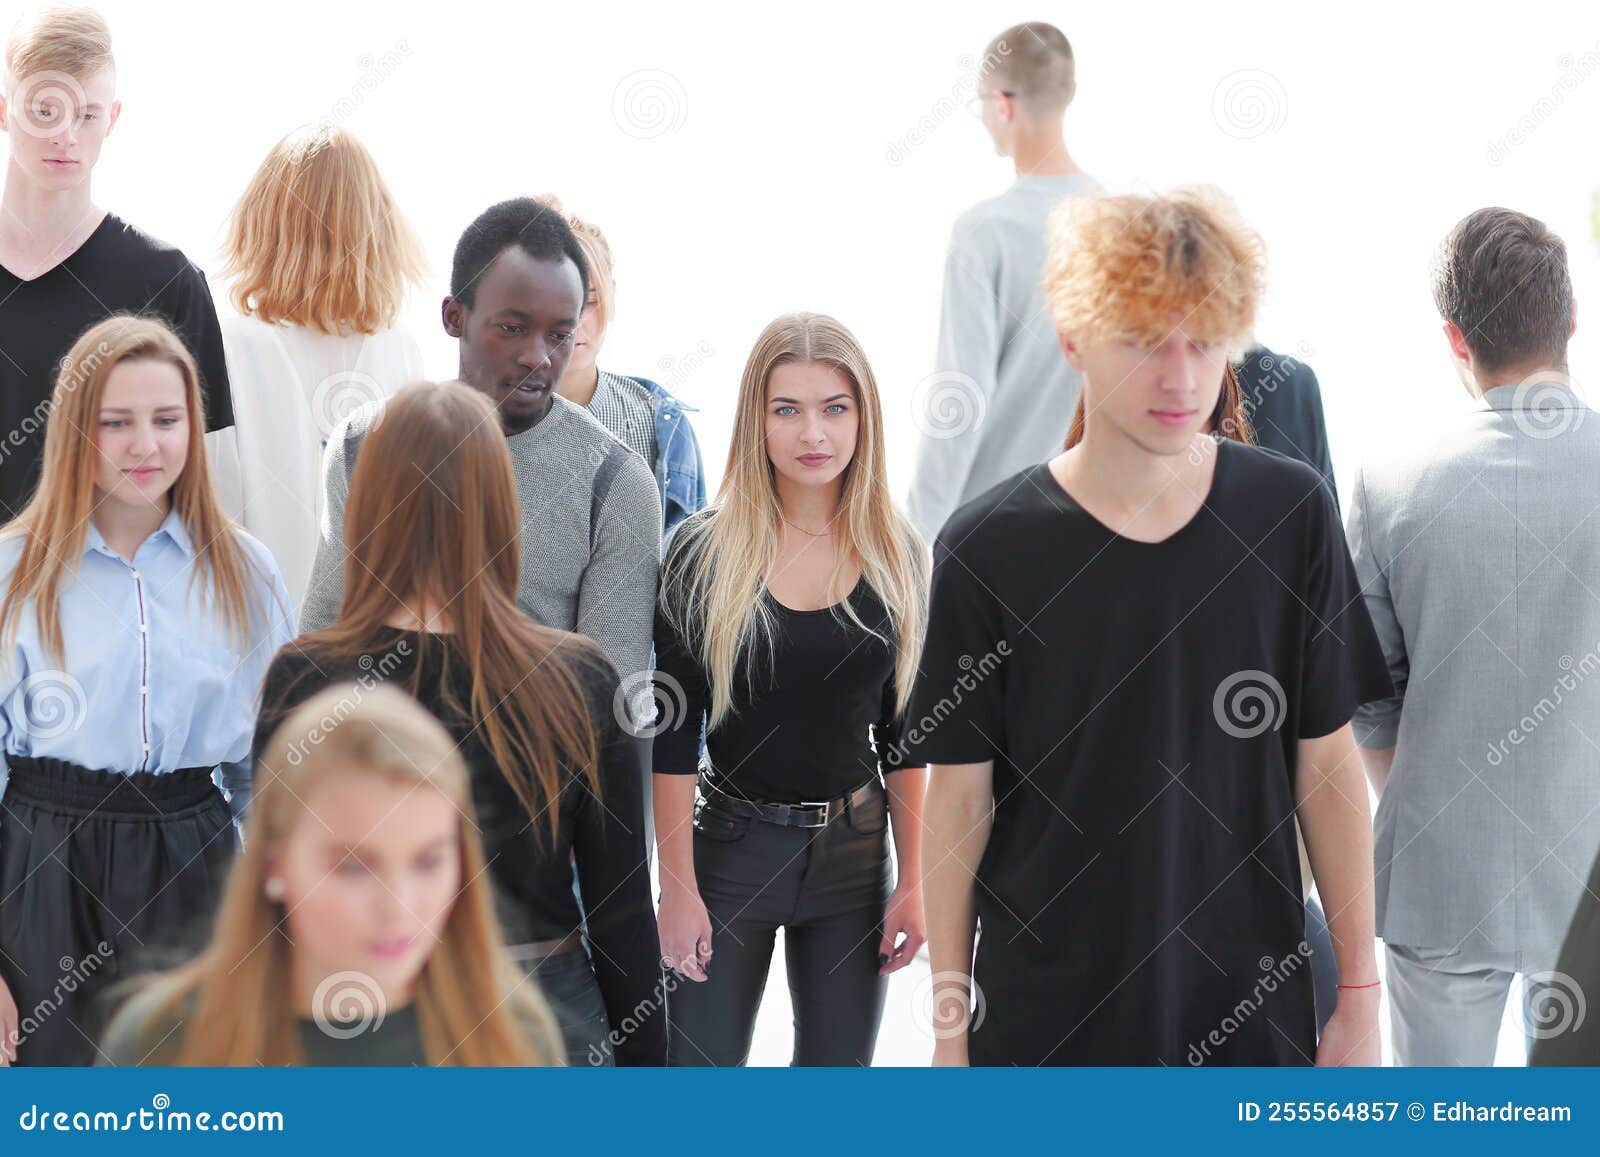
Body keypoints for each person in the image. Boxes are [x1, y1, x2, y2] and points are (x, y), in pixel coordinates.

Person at [910, 190, 1393, 1067]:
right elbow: (960, 801)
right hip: (1043, 1025)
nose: (1180, 378)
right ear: (1072, 337)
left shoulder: (1290, 516)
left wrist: (1359, 996)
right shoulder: (987, 548)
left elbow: (1326, 767)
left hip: (1252, 1012)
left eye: (1204, 341)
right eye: (1142, 341)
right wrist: (949, 1033)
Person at [256, 382, 665, 1066]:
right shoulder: (582, 679)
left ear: (371, 503)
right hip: (542, 1019)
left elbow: (276, 907)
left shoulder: (303, 678)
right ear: (502, 507)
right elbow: (622, 914)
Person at [0, 315, 294, 1066]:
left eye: (167, 420)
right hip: (42, 866)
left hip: (193, 862)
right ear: (74, 431)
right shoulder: (13, 571)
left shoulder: (247, 571)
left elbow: (272, 773)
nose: (145, 445)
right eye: (116, 422)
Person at [1349, 206, 1600, 1066]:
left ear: (1456, 337)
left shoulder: (1389, 482)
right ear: (1572, 318)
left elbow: (1369, 700)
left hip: (1441, 875)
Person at [653, 312, 928, 1066]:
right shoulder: (701, 553)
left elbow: (906, 736)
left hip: (855, 858)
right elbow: (673, 740)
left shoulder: (898, 553)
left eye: (835, 408)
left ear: (862, 417)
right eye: (788, 409)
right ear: (757, 419)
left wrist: (916, 879)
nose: (814, 432)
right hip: (730, 852)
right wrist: (676, 890)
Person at [300, 197, 660, 693]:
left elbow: (612, 708)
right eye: (512, 329)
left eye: (559, 334)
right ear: (454, 317)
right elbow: (324, 651)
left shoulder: (615, 483)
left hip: (531, 766)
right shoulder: (364, 446)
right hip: (376, 759)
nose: (538, 357)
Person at [99, 684, 565, 1066]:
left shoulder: (513, 1038)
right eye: (355, 867)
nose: (398, 905)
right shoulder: (160, 1043)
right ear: (271, 862)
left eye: (427, 862)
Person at [0, 6, 238, 522]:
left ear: (112, 118)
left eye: (86, 114)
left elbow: (212, 484)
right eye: (45, 111)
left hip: (121, 594)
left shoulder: (169, 283)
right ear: (3, 111)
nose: (66, 135)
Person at [217, 123, 426, 607]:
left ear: (264, 220)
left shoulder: (230, 347)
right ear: (377, 223)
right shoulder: (402, 352)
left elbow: (210, 515)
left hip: (255, 645)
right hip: (379, 654)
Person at [906, 21, 1099, 543]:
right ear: (1070, 94)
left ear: (1002, 104)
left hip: (992, 527)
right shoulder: (1123, 223)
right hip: (1098, 521)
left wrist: (917, 536)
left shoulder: (984, 231)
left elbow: (959, 396)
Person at [541, 195, 706, 537]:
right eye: (552, 297)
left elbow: (691, 575)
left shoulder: (661, 427)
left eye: (591, 299)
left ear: (612, 295)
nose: (573, 322)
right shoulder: (482, 424)